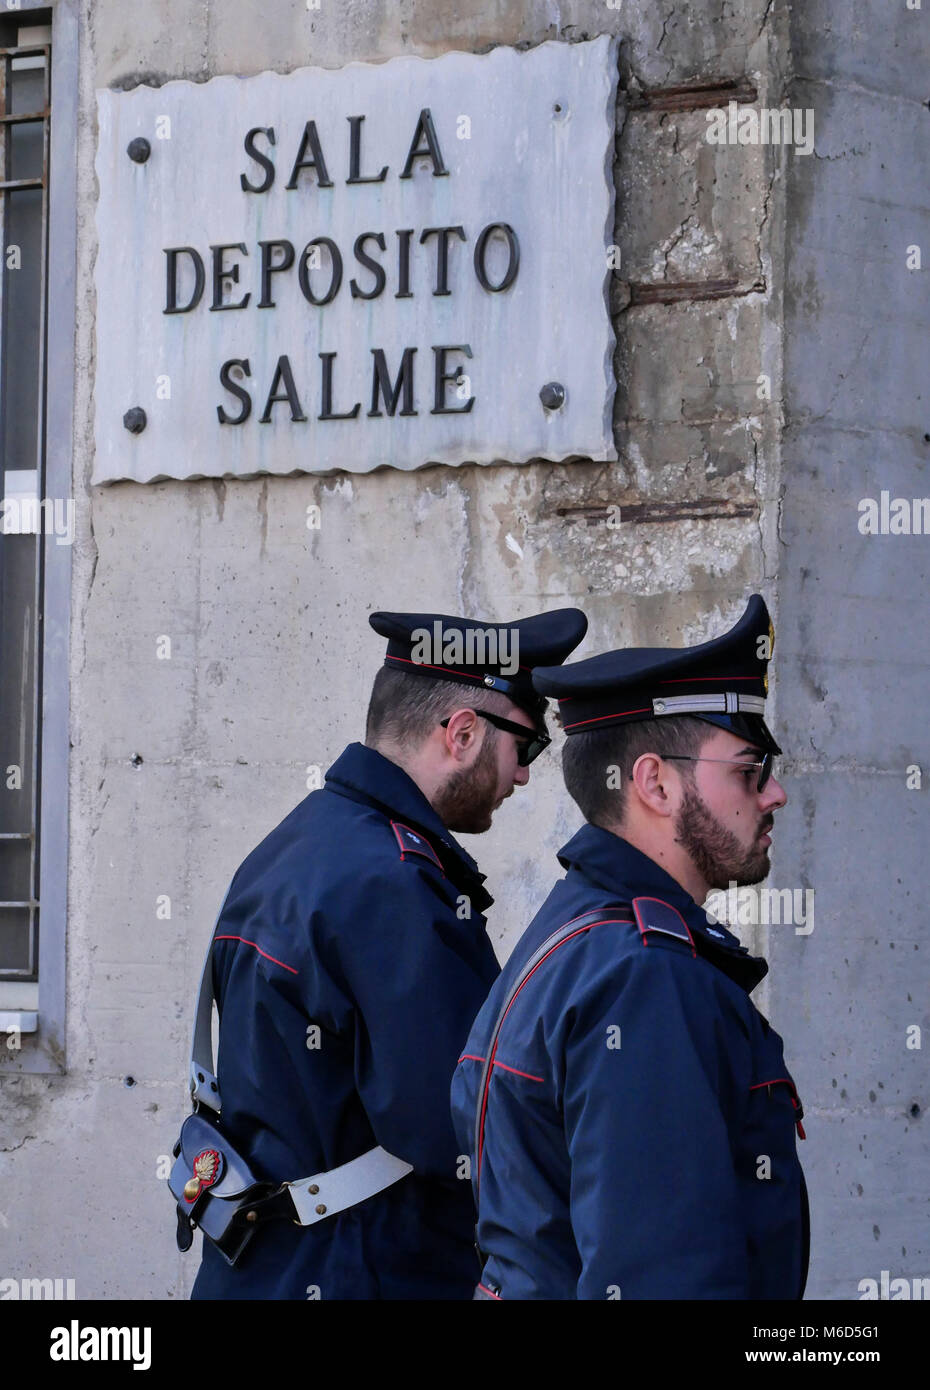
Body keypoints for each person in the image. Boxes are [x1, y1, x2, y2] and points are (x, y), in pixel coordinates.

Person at [186, 605, 587, 1299]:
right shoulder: (394, 883)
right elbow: (458, 1130)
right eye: (526, 748)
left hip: (260, 1271)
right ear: (463, 734)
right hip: (358, 1273)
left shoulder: (294, 844)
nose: (523, 776)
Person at [451, 595, 809, 1299]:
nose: (775, 795)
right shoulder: (645, 977)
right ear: (655, 783)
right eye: (749, 769)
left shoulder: (580, 929)